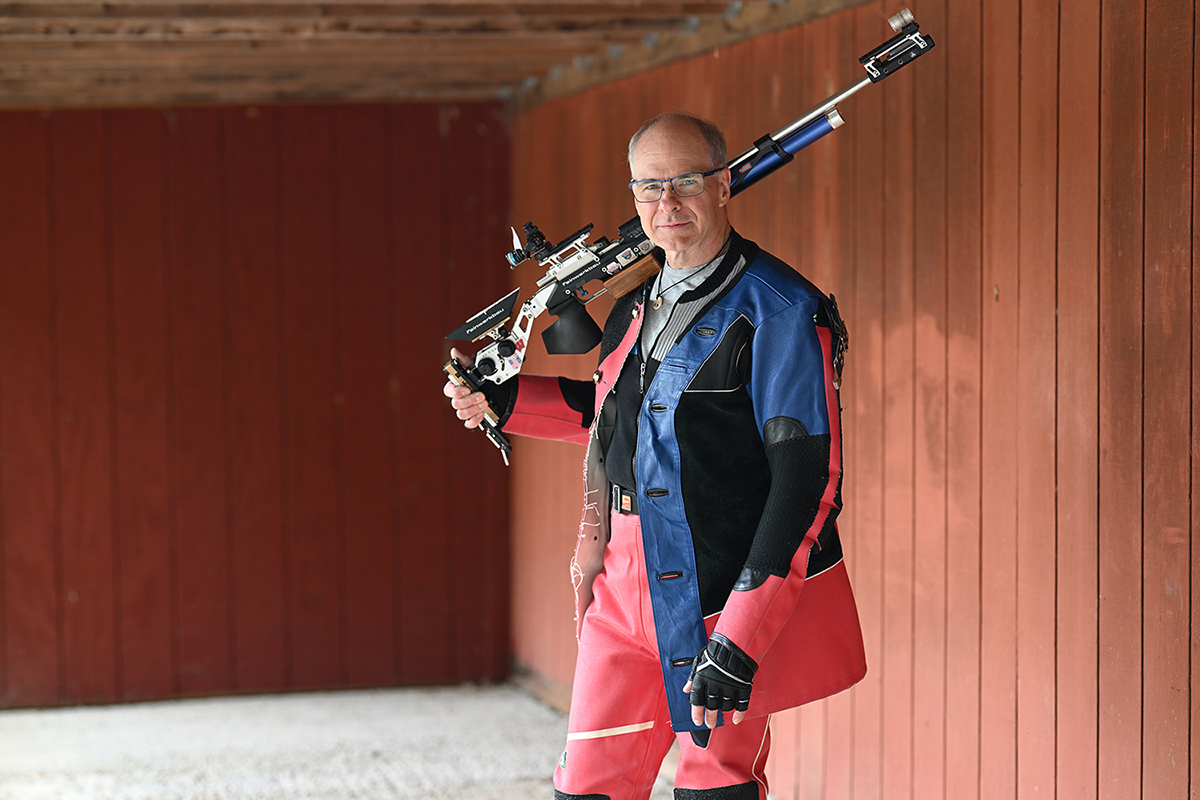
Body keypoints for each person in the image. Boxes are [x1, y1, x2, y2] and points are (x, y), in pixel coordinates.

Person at [444, 111, 865, 800]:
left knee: (714, 789)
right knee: (588, 788)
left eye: (686, 182)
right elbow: (621, 423)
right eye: (648, 187)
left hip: (720, 586)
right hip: (621, 582)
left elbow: (806, 478)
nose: (666, 203)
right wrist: (502, 402)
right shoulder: (634, 306)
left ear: (724, 185)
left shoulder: (783, 309)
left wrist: (743, 634)